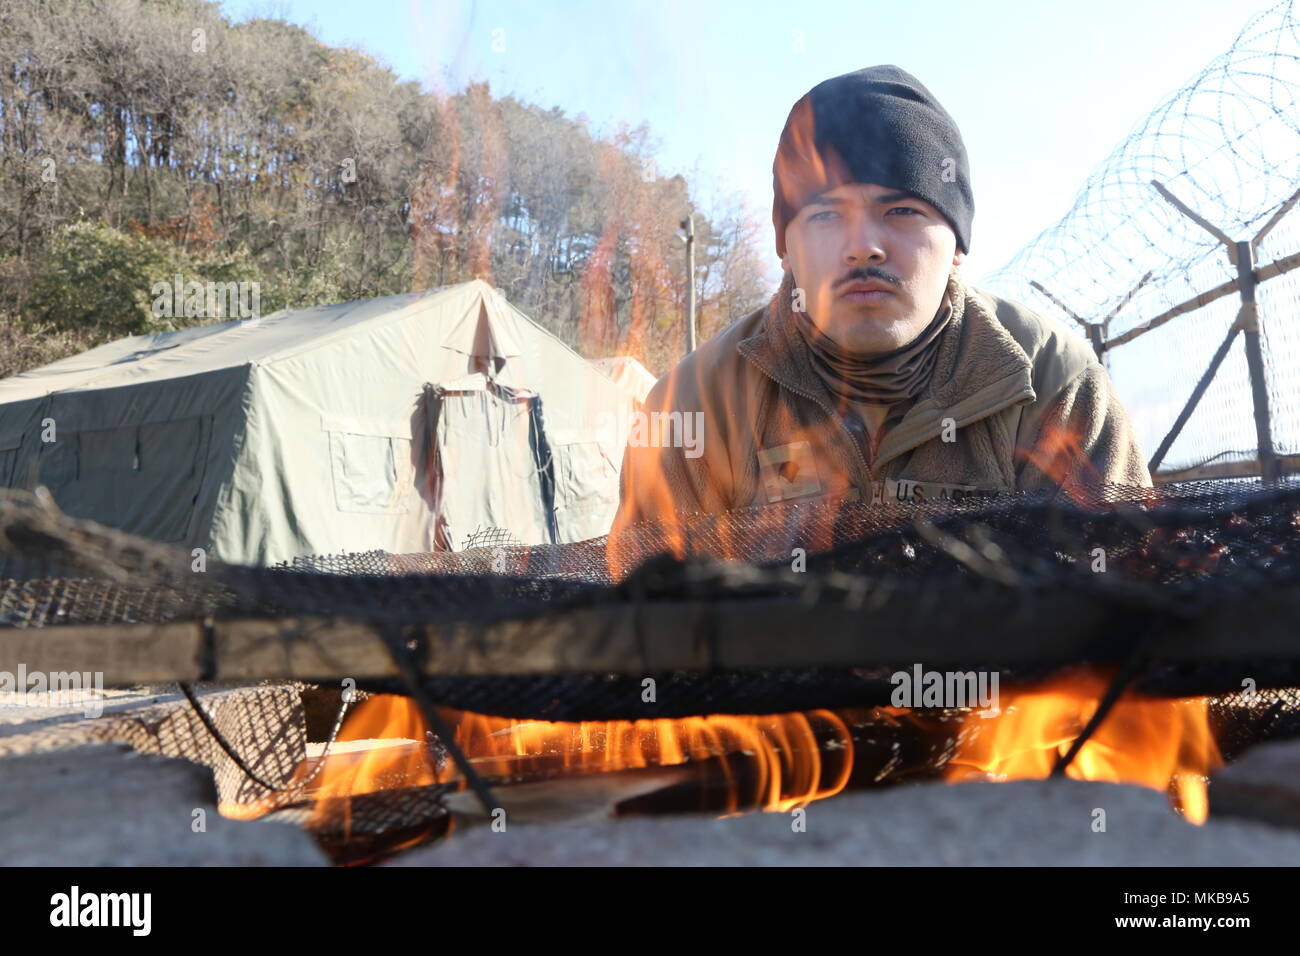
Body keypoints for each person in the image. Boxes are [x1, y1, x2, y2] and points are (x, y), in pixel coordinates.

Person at [615, 65, 1150, 526]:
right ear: (786, 247)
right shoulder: (693, 404)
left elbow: (1116, 610)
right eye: (826, 215)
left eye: (902, 211)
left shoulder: (1054, 383)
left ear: (957, 245)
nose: (864, 247)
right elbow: (651, 626)